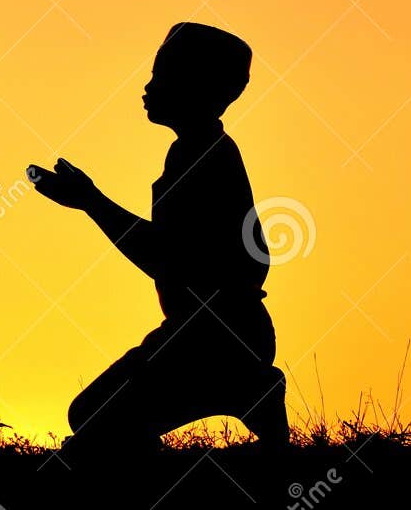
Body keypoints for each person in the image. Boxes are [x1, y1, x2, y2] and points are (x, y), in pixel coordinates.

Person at [28, 23, 288, 452]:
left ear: (199, 88)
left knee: (96, 429)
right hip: (199, 330)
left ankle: (246, 386)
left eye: (163, 76)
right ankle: (244, 388)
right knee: (89, 416)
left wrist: (91, 202)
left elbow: (166, 258)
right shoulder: (201, 151)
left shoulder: (203, 157)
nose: (148, 87)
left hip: (213, 338)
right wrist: (90, 201)